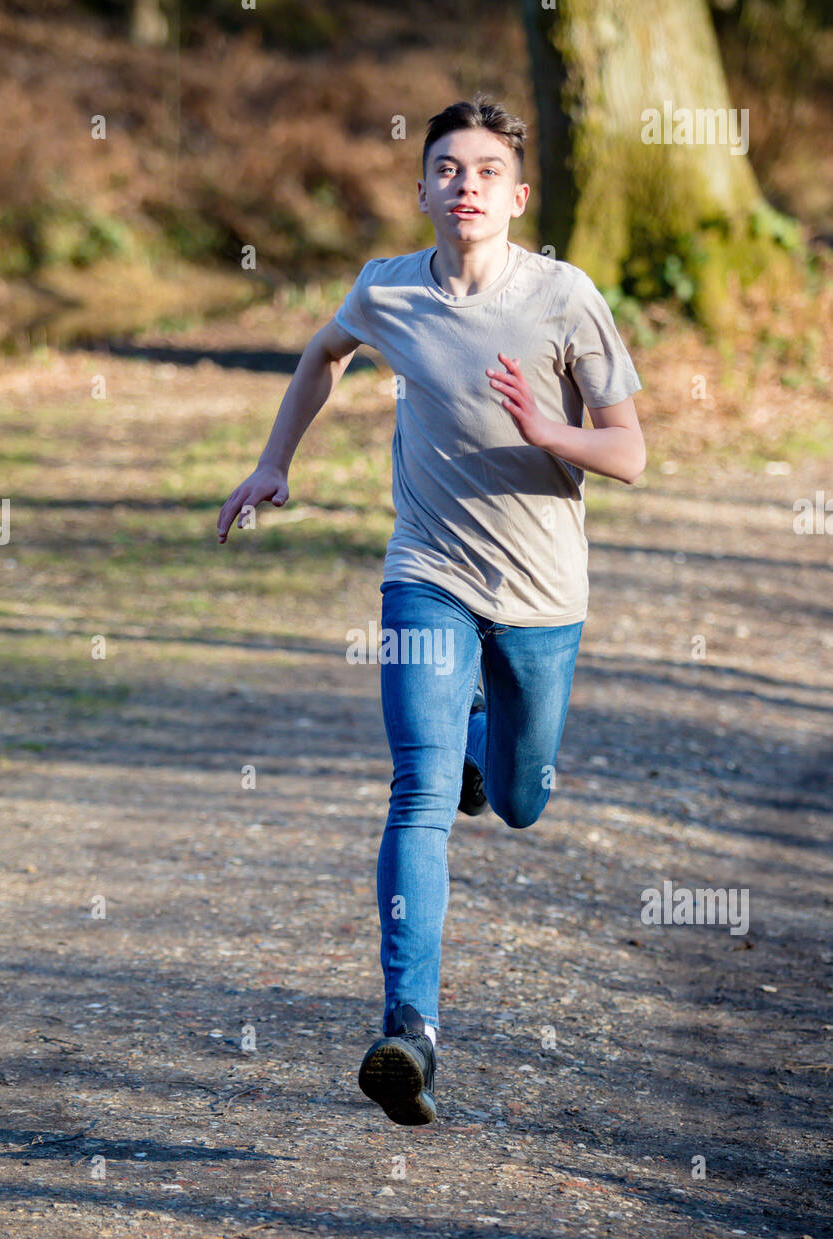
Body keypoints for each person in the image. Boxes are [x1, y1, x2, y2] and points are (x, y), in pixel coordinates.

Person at [217, 93, 645, 1127]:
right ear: (422, 190)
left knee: (519, 799)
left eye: (486, 171)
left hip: (542, 593)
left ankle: (480, 745)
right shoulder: (388, 291)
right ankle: (409, 1027)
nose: (466, 185)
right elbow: (323, 353)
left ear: (517, 195)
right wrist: (275, 461)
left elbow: (626, 453)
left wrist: (548, 426)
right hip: (427, 571)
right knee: (414, 791)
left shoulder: (563, 298)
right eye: (447, 168)